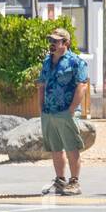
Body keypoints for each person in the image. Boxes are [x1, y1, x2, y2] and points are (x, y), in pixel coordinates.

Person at [37, 28, 89, 196]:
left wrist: (72, 109)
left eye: (56, 41)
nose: (52, 44)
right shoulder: (47, 61)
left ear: (65, 43)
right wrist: (41, 108)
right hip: (49, 112)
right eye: (50, 41)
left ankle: (74, 182)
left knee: (71, 147)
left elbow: (82, 86)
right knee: (55, 148)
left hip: (66, 112)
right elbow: (42, 85)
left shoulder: (76, 62)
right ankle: (60, 181)